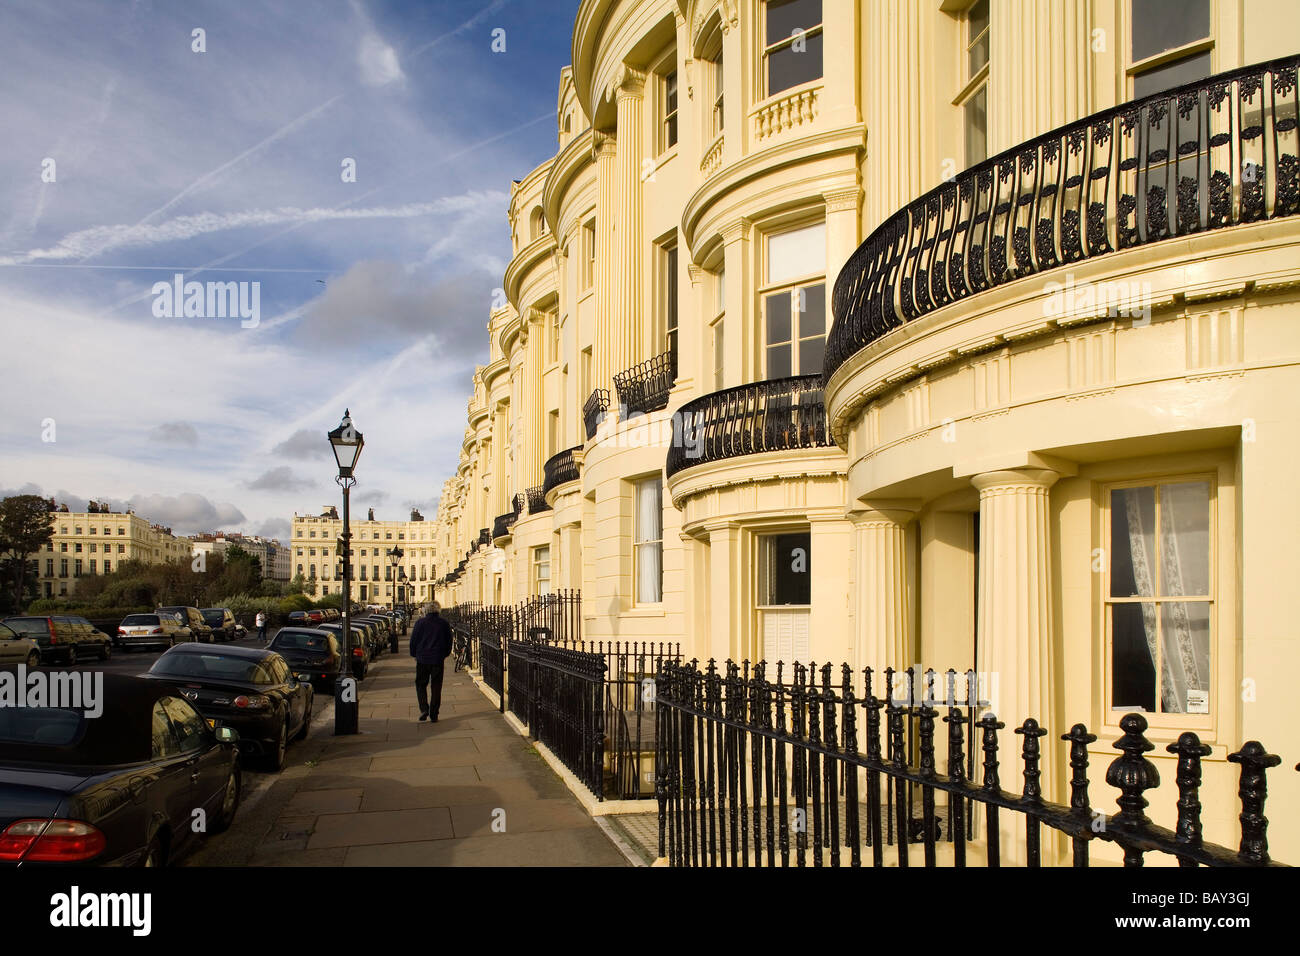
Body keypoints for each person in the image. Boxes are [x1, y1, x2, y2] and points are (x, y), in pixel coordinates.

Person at [409, 602, 452, 722]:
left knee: (420, 684)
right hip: (437, 659)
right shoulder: (443, 623)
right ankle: (434, 713)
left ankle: (424, 709)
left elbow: (413, 640)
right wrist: (445, 654)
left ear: (426, 610)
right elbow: (449, 641)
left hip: (422, 659)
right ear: (438, 610)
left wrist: (414, 654)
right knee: (436, 686)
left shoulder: (420, 623)